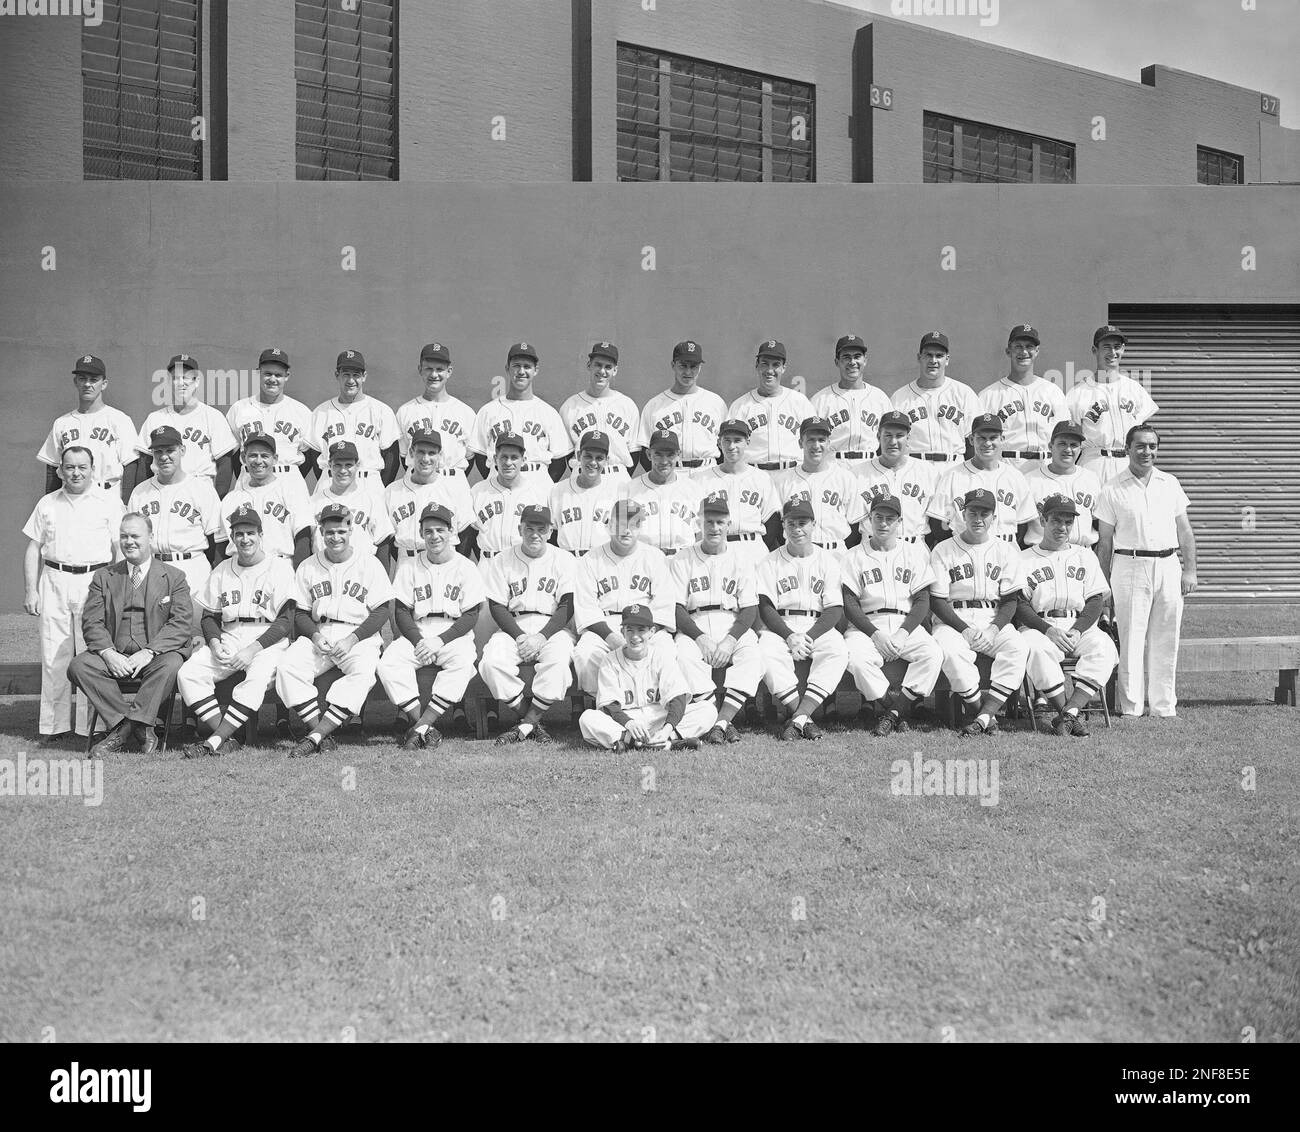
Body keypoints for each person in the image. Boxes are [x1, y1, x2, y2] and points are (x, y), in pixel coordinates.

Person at [68, 512, 194, 756]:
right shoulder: (104, 577)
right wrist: (108, 653)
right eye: (124, 536)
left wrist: (149, 651)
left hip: (155, 656)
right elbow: (92, 622)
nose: (129, 541)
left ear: (150, 538)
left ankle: (123, 731)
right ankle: (136, 726)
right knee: (79, 665)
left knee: (172, 664)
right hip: (117, 654)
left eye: (135, 536)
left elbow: (181, 623)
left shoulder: (174, 577)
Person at [178, 504, 297, 757]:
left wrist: (253, 649)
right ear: (232, 537)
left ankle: (215, 741)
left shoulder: (280, 568)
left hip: (267, 640)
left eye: (250, 533)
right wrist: (214, 642)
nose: (245, 539)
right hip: (230, 636)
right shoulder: (222, 569)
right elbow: (210, 615)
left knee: (255, 680)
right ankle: (229, 736)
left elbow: (285, 621)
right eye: (239, 534)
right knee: (188, 673)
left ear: (261, 534)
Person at [23, 445, 124, 741]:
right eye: (69, 467)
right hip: (54, 579)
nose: (76, 472)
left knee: (92, 654)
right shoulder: (47, 503)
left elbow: (119, 548)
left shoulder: (109, 503)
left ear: (93, 469)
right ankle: (53, 726)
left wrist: (115, 590)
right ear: (59, 470)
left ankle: (91, 726)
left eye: (82, 467)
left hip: (95, 581)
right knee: (55, 654)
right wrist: (31, 589)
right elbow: (33, 548)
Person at [1095, 425, 1197, 718]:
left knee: (1167, 638)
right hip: (1129, 566)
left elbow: (1185, 530)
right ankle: (1131, 707)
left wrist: (1189, 570)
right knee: (1130, 639)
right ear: (1127, 449)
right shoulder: (1112, 488)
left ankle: (1164, 706)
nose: (1147, 452)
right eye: (1140, 446)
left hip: (1167, 565)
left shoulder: (1170, 483)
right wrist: (1103, 586)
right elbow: (1104, 543)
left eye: (1152, 446)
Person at [277, 503, 394, 757]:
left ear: (351, 528)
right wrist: (315, 635)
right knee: (287, 667)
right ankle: (319, 731)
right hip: (321, 633)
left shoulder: (369, 563)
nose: (336, 537)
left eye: (341, 530)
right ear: (320, 531)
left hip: (358, 635)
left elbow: (381, 611)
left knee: (363, 673)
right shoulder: (308, 566)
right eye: (330, 532)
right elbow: (300, 613)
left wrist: (353, 640)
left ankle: (316, 735)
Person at [377, 503, 484, 750]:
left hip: (453, 634)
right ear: (421, 534)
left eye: (439, 530)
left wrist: (440, 641)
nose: (434, 536)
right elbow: (402, 611)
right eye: (428, 531)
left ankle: (422, 724)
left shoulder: (466, 567)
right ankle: (425, 725)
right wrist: (418, 641)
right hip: (419, 631)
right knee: (389, 662)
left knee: (463, 663)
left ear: (451, 532)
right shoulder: (409, 566)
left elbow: (470, 615)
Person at [840, 494, 943, 736]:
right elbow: (849, 603)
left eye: (889, 518)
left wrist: (903, 633)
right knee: (855, 659)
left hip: (903, 623)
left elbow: (922, 600)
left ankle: (892, 714)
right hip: (867, 625)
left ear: (899, 522)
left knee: (933, 654)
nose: (883, 523)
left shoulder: (914, 553)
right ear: (869, 520)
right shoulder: (853, 555)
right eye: (878, 517)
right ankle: (895, 710)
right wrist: (875, 635)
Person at [928, 488, 1029, 736]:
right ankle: (985, 717)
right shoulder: (943, 549)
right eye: (973, 512)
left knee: (1018, 647)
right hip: (953, 620)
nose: (978, 518)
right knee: (951, 653)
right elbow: (938, 601)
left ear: (994, 518)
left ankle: (983, 716)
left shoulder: (1005, 550)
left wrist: (994, 629)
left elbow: (1010, 600)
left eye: (985, 513)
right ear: (963, 514)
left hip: (993, 618)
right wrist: (965, 630)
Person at [1016, 494, 1117, 737]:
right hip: (1041, 625)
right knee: (1035, 649)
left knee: (1105, 647)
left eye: (1068, 522)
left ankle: (1070, 713)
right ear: (1042, 520)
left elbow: (1095, 599)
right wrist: (1047, 630)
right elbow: (1019, 603)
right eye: (1055, 521)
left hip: (1079, 625)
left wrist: (1078, 629)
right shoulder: (1023, 558)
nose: (1062, 527)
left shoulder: (1085, 555)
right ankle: (1069, 714)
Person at [478, 505, 578, 746]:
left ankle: (525, 724)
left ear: (550, 531)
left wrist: (541, 637)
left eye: (541, 529)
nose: (535, 534)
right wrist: (521, 637)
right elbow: (498, 606)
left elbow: (567, 605)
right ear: (519, 529)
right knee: (491, 662)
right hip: (514, 624)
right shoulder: (503, 559)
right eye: (529, 528)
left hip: (552, 627)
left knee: (558, 662)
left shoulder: (564, 559)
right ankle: (531, 721)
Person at [671, 494, 763, 744]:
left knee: (752, 654)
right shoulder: (682, 558)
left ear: (729, 523)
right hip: (695, 624)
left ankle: (721, 721)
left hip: (731, 622)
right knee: (682, 654)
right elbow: (677, 608)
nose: (714, 527)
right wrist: (700, 638)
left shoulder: (742, 558)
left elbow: (749, 608)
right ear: (699, 523)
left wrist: (731, 640)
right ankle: (721, 722)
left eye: (720, 522)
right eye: (709, 521)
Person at [755, 498, 849, 741]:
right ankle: (804, 717)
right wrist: (789, 636)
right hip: (781, 627)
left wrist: (808, 637)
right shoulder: (769, 561)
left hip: (817, 626)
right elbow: (766, 607)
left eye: (803, 523)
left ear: (813, 524)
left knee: (838, 649)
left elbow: (834, 609)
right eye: (791, 523)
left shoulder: (828, 560)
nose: (797, 529)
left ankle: (798, 717)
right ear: (783, 526)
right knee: (764, 651)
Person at [571, 499, 676, 698]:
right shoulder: (590, 559)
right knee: (585, 654)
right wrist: (611, 637)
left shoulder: (654, 557)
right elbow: (586, 606)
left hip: (645, 626)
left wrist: (642, 635)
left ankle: (655, 704)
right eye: (620, 524)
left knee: (665, 649)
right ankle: (606, 706)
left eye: (634, 524)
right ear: (610, 525)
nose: (627, 530)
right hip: (605, 625)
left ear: (640, 527)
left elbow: (663, 604)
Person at [578, 604, 717, 752]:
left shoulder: (662, 656)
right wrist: (629, 723)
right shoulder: (610, 660)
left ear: (652, 632)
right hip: (627, 720)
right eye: (629, 630)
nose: (635, 636)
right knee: (587, 719)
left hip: (660, 716)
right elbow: (609, 705)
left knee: (708, 710)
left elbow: (678, 698)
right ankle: (668, 744)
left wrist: (667, 730)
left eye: (641, 630)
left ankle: (646, 742)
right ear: (622, 632)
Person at [127, 426, 222, 597]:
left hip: (192, 567)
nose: (164, 457)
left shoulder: (201, 489)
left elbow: (216, 540)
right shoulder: (140, 492)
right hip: (152, 568)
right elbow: (131, 540)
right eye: (158, 452)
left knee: (192, 622)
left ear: (182, 450)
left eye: (170, 450)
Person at [467, 342, 571, 486]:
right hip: (498, 483)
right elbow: (481, 456)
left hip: (537, 483)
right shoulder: (488, 411)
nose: (521, 371)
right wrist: (497, 478)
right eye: (516, 365)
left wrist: (543, 485)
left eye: (527, 366)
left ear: (536, 370)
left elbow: (559, 461)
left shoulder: (548, 413)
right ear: (507, 368)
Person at [36, 353, 138, 500]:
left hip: (107, 495)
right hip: (70, 497)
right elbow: (53, 469)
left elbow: (131, 466)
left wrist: (126, 504)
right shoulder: (62, 423)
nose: (87, 384)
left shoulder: (119, 419)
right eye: (82, 379)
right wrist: (52, 503)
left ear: (104, 384)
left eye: (94, 380)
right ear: (75, 382)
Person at [1067, 325, 1159, 485]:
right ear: (1094, 350)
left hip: (1128, 462)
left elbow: (1145, 433)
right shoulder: (1077, 393)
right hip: (1094, 463)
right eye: (1106, 347)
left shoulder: (1135, 389)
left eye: (1117, 347)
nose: (1112, 352)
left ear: (1123, 349)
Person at [134, 353, 238, 495]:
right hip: (161, 489)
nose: (181, 383)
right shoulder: (155, 418)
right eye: (176, 378)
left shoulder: (213, 417)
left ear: (197, 381)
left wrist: (218, 500)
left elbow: (225, 465)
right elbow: (144, 465)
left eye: (186, 377)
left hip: (200, 488)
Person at [928, 413, 1034, 546]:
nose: (987, 443)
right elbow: (939, 524)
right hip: (965, 548)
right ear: (972, 440)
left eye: (993, 438)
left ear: (1002, 439)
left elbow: (1024, 523)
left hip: (1006, 547)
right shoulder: (953, 475)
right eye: (981, 438)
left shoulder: (1015, 476)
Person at [978, 325, 1068, 475]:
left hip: (1045, 467)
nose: (1024, 352)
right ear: (1008, 351)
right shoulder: (989, 395)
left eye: (1029, 346)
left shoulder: (1053, 392)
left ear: (1037, 351)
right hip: (1007, 467)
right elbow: (976, 441)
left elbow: (1064, 435)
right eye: (1018, 346)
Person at [770, 416, 865, 555]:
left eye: (821, 440)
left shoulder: (845, 478)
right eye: (811, 440)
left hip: (835, 552)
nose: (816, 445)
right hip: (796, 553)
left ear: (829, 443)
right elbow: (777, 526)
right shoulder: (784, 480)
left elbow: (855, 525)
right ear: (800, 443)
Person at [691, 418, 777, 569]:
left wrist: (757, 546)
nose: (732, 446)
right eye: (727, 440)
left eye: (737, 440)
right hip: (715, 548)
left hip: (752, 547)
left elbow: (772, 521)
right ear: (719, 442)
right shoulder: (701, 479)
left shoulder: (761, 478)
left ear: (747, 442)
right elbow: (694, 523)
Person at [307, 349, 401, 485]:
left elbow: (391, 458)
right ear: (337, 375)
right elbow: (315, 456)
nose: (351, 380)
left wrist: (381, 488)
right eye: (346, 374)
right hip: (330, 481)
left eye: (356, 375)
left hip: (368, 481)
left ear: (364, 376)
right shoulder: (321, 412)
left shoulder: (381, 411)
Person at [216, 434, 313, 564]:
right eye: (253, 455)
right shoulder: (231, 499)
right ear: (244, 458)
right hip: (240, 570)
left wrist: (298, 573)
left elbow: (303, 538)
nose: (258, 461)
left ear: (275, 459)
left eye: (264, 456)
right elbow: (221, 547)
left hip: (280, 565)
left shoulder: (292, 492)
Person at [384, 428, 474, 565]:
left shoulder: (455, 489)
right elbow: (386, 539)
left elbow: (466, 534)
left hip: (446, 561)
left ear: (440, 455)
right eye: (421, 452)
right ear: (411, 453)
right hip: (406, 562)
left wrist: (455, 564)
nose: (426, 459)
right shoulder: (392, 491)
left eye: (431, 453)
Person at [890, 331, 979, 465]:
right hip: (915, 467)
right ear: (919, 357)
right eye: (928, 355)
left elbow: (975, 440)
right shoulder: (900, 397)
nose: (933, 361)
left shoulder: (964, 393)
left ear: (947, 359)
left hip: (953, 466)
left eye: (939, 356)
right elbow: (890, 440)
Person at [726, 339, 815, 473]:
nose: (769, 370)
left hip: (792, 474)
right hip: (754, 475)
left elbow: (814, 440)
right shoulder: (741, 405)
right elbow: (728, 445)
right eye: (765, 364)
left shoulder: (799, 401)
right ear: (757, 366)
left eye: (776, 365)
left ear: (783, 368)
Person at [226, 347, 312, 484]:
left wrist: (292, 476)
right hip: (249, 479)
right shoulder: (239, 409)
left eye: (278, 375)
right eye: (267, 374)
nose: (272, 379)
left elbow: (309, 455)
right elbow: (232, 454)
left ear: (287, 376)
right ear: (258, 373)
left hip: (288, 479)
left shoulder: (301, 412)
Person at [638, 340, 727, 473]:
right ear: (673, 365)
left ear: (700, 368)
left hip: (707, 472)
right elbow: (645, 452)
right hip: (671, 473)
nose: (688, 371)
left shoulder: (715, 402)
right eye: (683, 365)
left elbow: (725, 445)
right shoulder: (654, 405)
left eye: (693, 366)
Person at [853, 411, 940, 547]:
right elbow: (852, 526)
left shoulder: (928, 472)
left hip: (915, 547)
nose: (893, 441)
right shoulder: (858, 474)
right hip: (872, 548)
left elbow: (937, 524)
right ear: (878, 436)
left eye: (899, 436)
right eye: (887, 435)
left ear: (908, 438)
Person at [808, 334, 892, 472]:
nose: (852, 362)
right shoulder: (820, 400)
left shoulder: (880, 398)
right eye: (846, 357)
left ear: (865, 360)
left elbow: (890, 438)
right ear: (837, 362)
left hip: (870, 465)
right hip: (834, 466)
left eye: (857, 356)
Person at [558, 342, 642, 479]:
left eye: (608, 367)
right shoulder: (570, 406)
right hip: (582, 476)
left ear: (615, 370)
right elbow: (566, 453)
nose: (602, 371)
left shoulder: (627, 405)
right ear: (589, 365)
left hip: (617, 476)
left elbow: (634, 451)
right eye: (598, 364)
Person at [395, 342, 476, 480]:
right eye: (428, 369)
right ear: (420, 369)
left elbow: (471, 457)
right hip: (416, 483)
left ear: (449, 371)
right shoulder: (405, 411)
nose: (434, 374)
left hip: (452, 481)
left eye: (439, 369)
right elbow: (404, 457)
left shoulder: (465, 412)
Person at [467, 433, 551, 561]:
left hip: (523, 562)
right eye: (504, 457)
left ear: (523, 460)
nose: (508, 462)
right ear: (495, 459)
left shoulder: (538, 494)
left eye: (514, 457)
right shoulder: (478, 491)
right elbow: (470, 535)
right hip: (489, 562)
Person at [548, 430, 631, 557]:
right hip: (567, 561)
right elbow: (551, 534)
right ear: (579, 455)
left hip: (603, 560)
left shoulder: (617, 493)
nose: (593, 462)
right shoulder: (557, 490)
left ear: (607, 460)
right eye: (588, 456)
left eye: (599, 458)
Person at [308, 440, 394, 560]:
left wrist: (380, 576)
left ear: (357, 465)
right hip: (322, 570)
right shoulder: (314, 502)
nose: (343, 470)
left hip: (362, 571)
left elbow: (383, 543)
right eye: (338, 465)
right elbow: (306, 544)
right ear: (329, 465)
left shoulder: (371, 500)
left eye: (348, 465)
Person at [1022, 420, 1102, 548]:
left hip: (1083, 552)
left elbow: (1099, 524)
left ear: (1080, 448)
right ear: (1050, 446)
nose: (1068, 449)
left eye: (1074, 445)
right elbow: (1021, 527)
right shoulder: (1030, 480)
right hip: (1042, 554)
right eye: (1062, 444)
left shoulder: (1091, 478)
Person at [626, 430, 704, 557]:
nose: (664, 461)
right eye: (658, 454)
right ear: (648, 454)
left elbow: (701, 534)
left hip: (683, 558)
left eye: (670, 455)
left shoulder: (693, 490)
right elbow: (622, 534)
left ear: (678, 455)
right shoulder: (631, 489)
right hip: (644, 559)